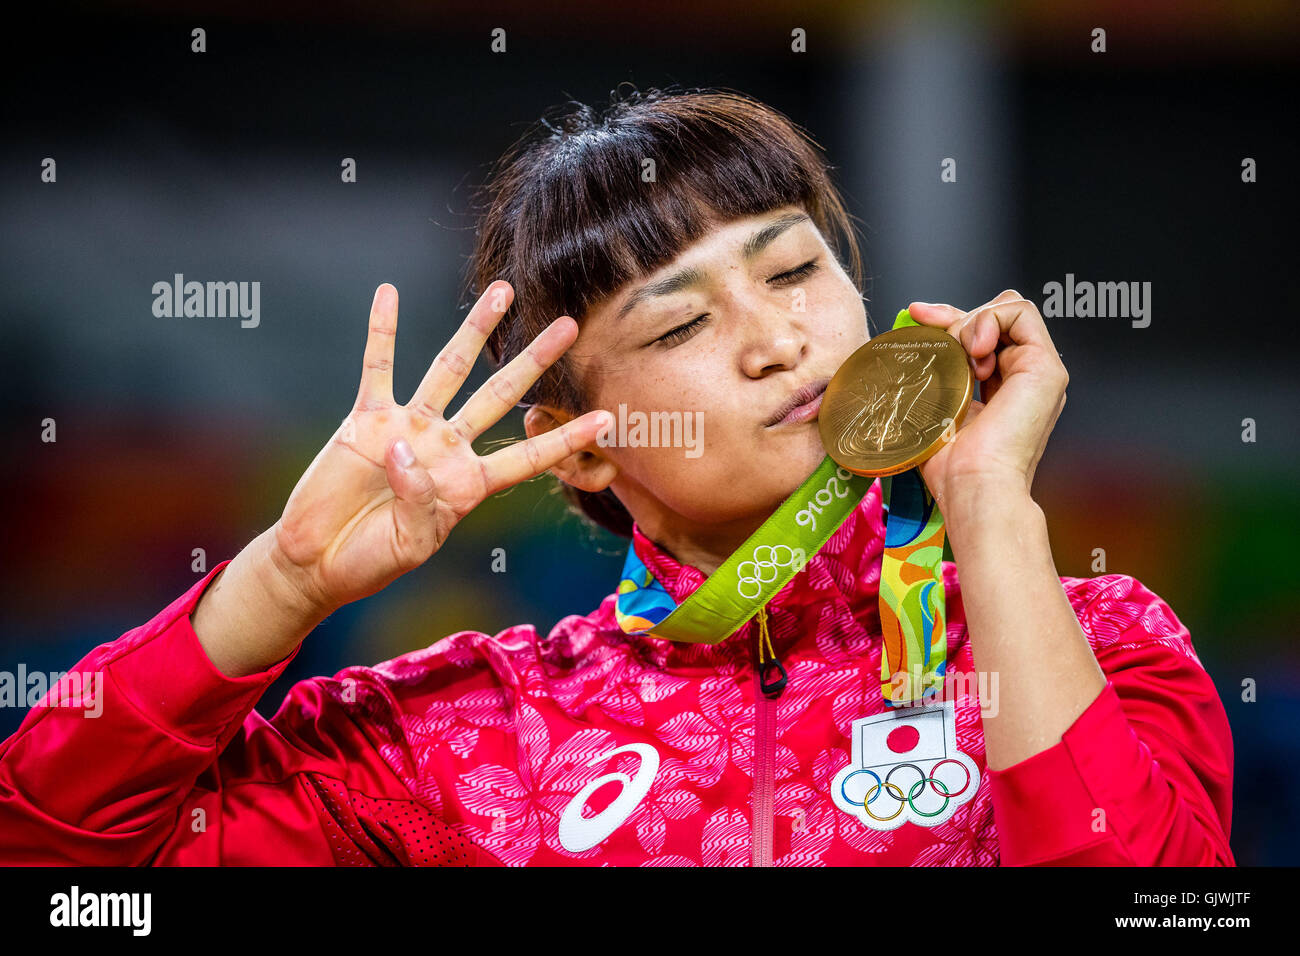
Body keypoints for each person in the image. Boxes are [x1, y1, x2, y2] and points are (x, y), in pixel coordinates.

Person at [0, 87, 1234, 865]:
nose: (776, 338)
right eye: (679, 324)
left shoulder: (1099, 641)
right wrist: (281, 576)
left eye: (794, 270)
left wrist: (988, 516)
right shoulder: (447, 742)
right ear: (581, 438)